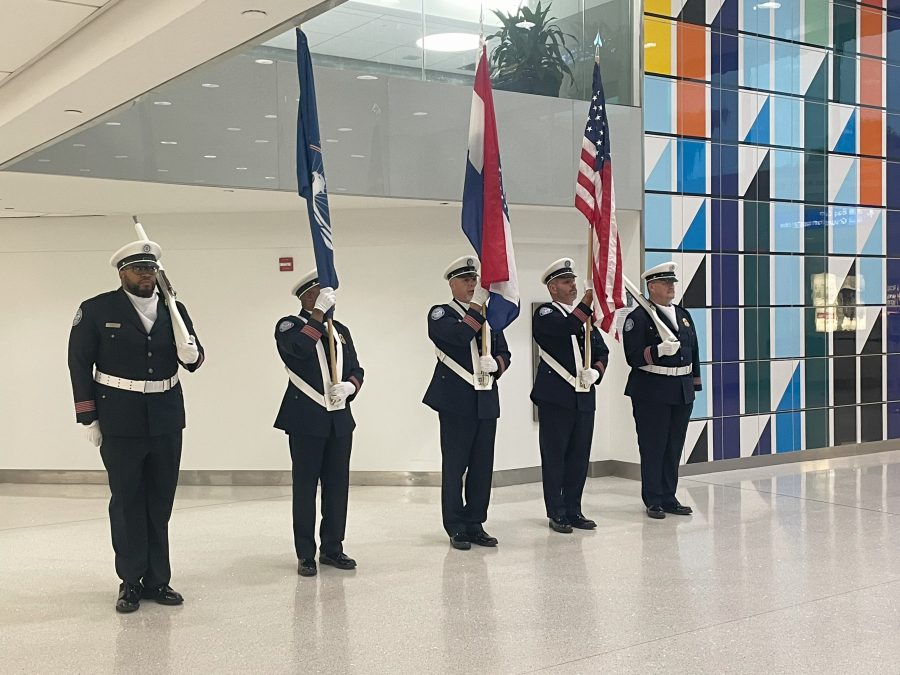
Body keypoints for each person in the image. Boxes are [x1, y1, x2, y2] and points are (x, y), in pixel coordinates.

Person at [67, 238, 204, 613]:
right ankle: (130, 581)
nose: (146, 275)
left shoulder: (174, 309)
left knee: (160, 503)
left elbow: (194, 358)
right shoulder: (96, 310)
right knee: (127, 502)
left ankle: (159, 580)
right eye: (138, 269)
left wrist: (193, 354)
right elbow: (79, 364)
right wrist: (88, 416)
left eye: (151, 269)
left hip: (165, 417)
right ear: (122, 272)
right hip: (120, 417)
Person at [274, 270, 364, 577]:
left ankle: (332, 548)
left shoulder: (340, 331)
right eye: (321, 294)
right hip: (306, 420)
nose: (330, 300)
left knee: (337, 488)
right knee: (306, 488)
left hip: (339, 420)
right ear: (307, 296)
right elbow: (298, 350)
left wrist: (351, 386)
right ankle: (305, 553)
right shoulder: (288, 326)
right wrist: (316, 316)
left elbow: (356, 368)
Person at [424, 255, 511, 550]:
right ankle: (455, 525)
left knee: (482, 465)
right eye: (466, 280)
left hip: (485, 399)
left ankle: (475, 522)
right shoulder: (440, 314)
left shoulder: (488, 317)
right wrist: (477, 308)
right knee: (455, 466)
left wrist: (496, 365)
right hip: (456, 401)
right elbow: (460, 336)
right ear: (452, 284)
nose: (473, 284)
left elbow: (505, 353)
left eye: (474, 279)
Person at [531, 258, 609, 533]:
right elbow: (564, 329)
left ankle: (574, 509)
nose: (573, 286)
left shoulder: (584, 319)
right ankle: (557, 511)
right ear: (552, 288)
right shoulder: (545, 314)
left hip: (584, 396)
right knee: (555, 456)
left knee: (579, 456)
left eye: (573, 281)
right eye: (566, 282)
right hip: (557, 397)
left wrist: (597, 372)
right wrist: (587, 303)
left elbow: (602, 352)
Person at [622, 262, 701, 519]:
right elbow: (632, 356)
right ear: (651, 286)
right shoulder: (638, 317)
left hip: (680, 389)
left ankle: (669, 496)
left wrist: (694, 384)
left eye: (672, 282)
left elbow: (694, 352)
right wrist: (657, 351)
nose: (671, 287)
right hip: (652, 390)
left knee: (673, 446)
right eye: (665, 283)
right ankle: (653, 498)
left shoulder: (682, 314)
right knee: (653, 446)